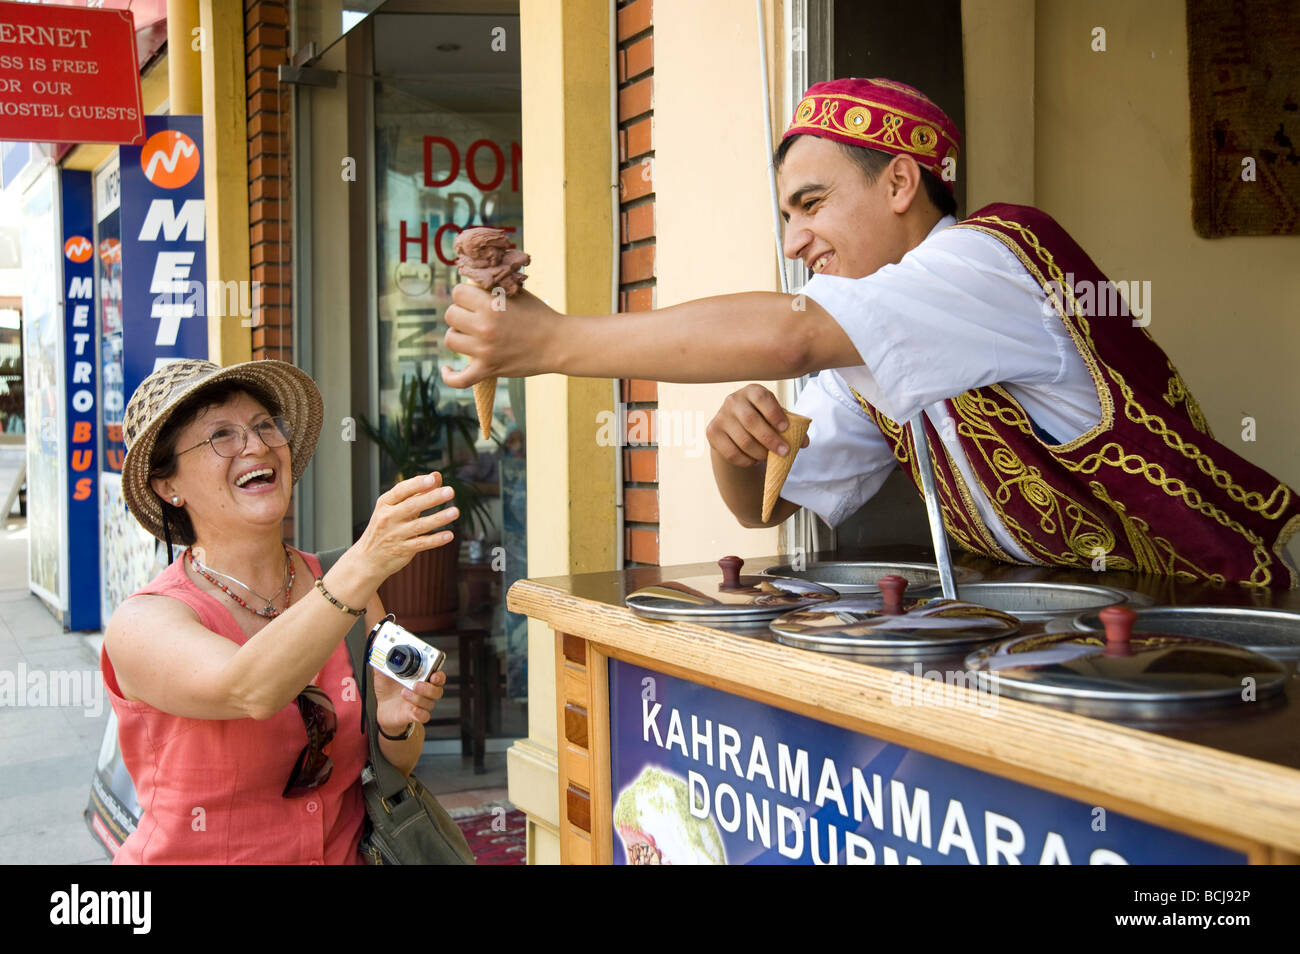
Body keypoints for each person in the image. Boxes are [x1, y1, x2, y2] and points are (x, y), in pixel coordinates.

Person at [440, 77, 1298, 589]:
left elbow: (789, 338)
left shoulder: (986, 262)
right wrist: (740, 454)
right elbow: (771, 507)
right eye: (784, 216)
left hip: (1206, 612)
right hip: (1072, 628)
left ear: (898, 184)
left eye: (811, 205)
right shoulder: (873, 341)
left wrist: (548, 345)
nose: (796, 243)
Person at [101, 359, 461, 863]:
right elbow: (249, 688)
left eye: (264, 425)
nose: (256, 446)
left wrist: (396, 726)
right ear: (169, 487)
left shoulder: (344, 583)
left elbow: (395, 763)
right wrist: (366, 561)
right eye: (220, 436)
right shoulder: (143, 623)